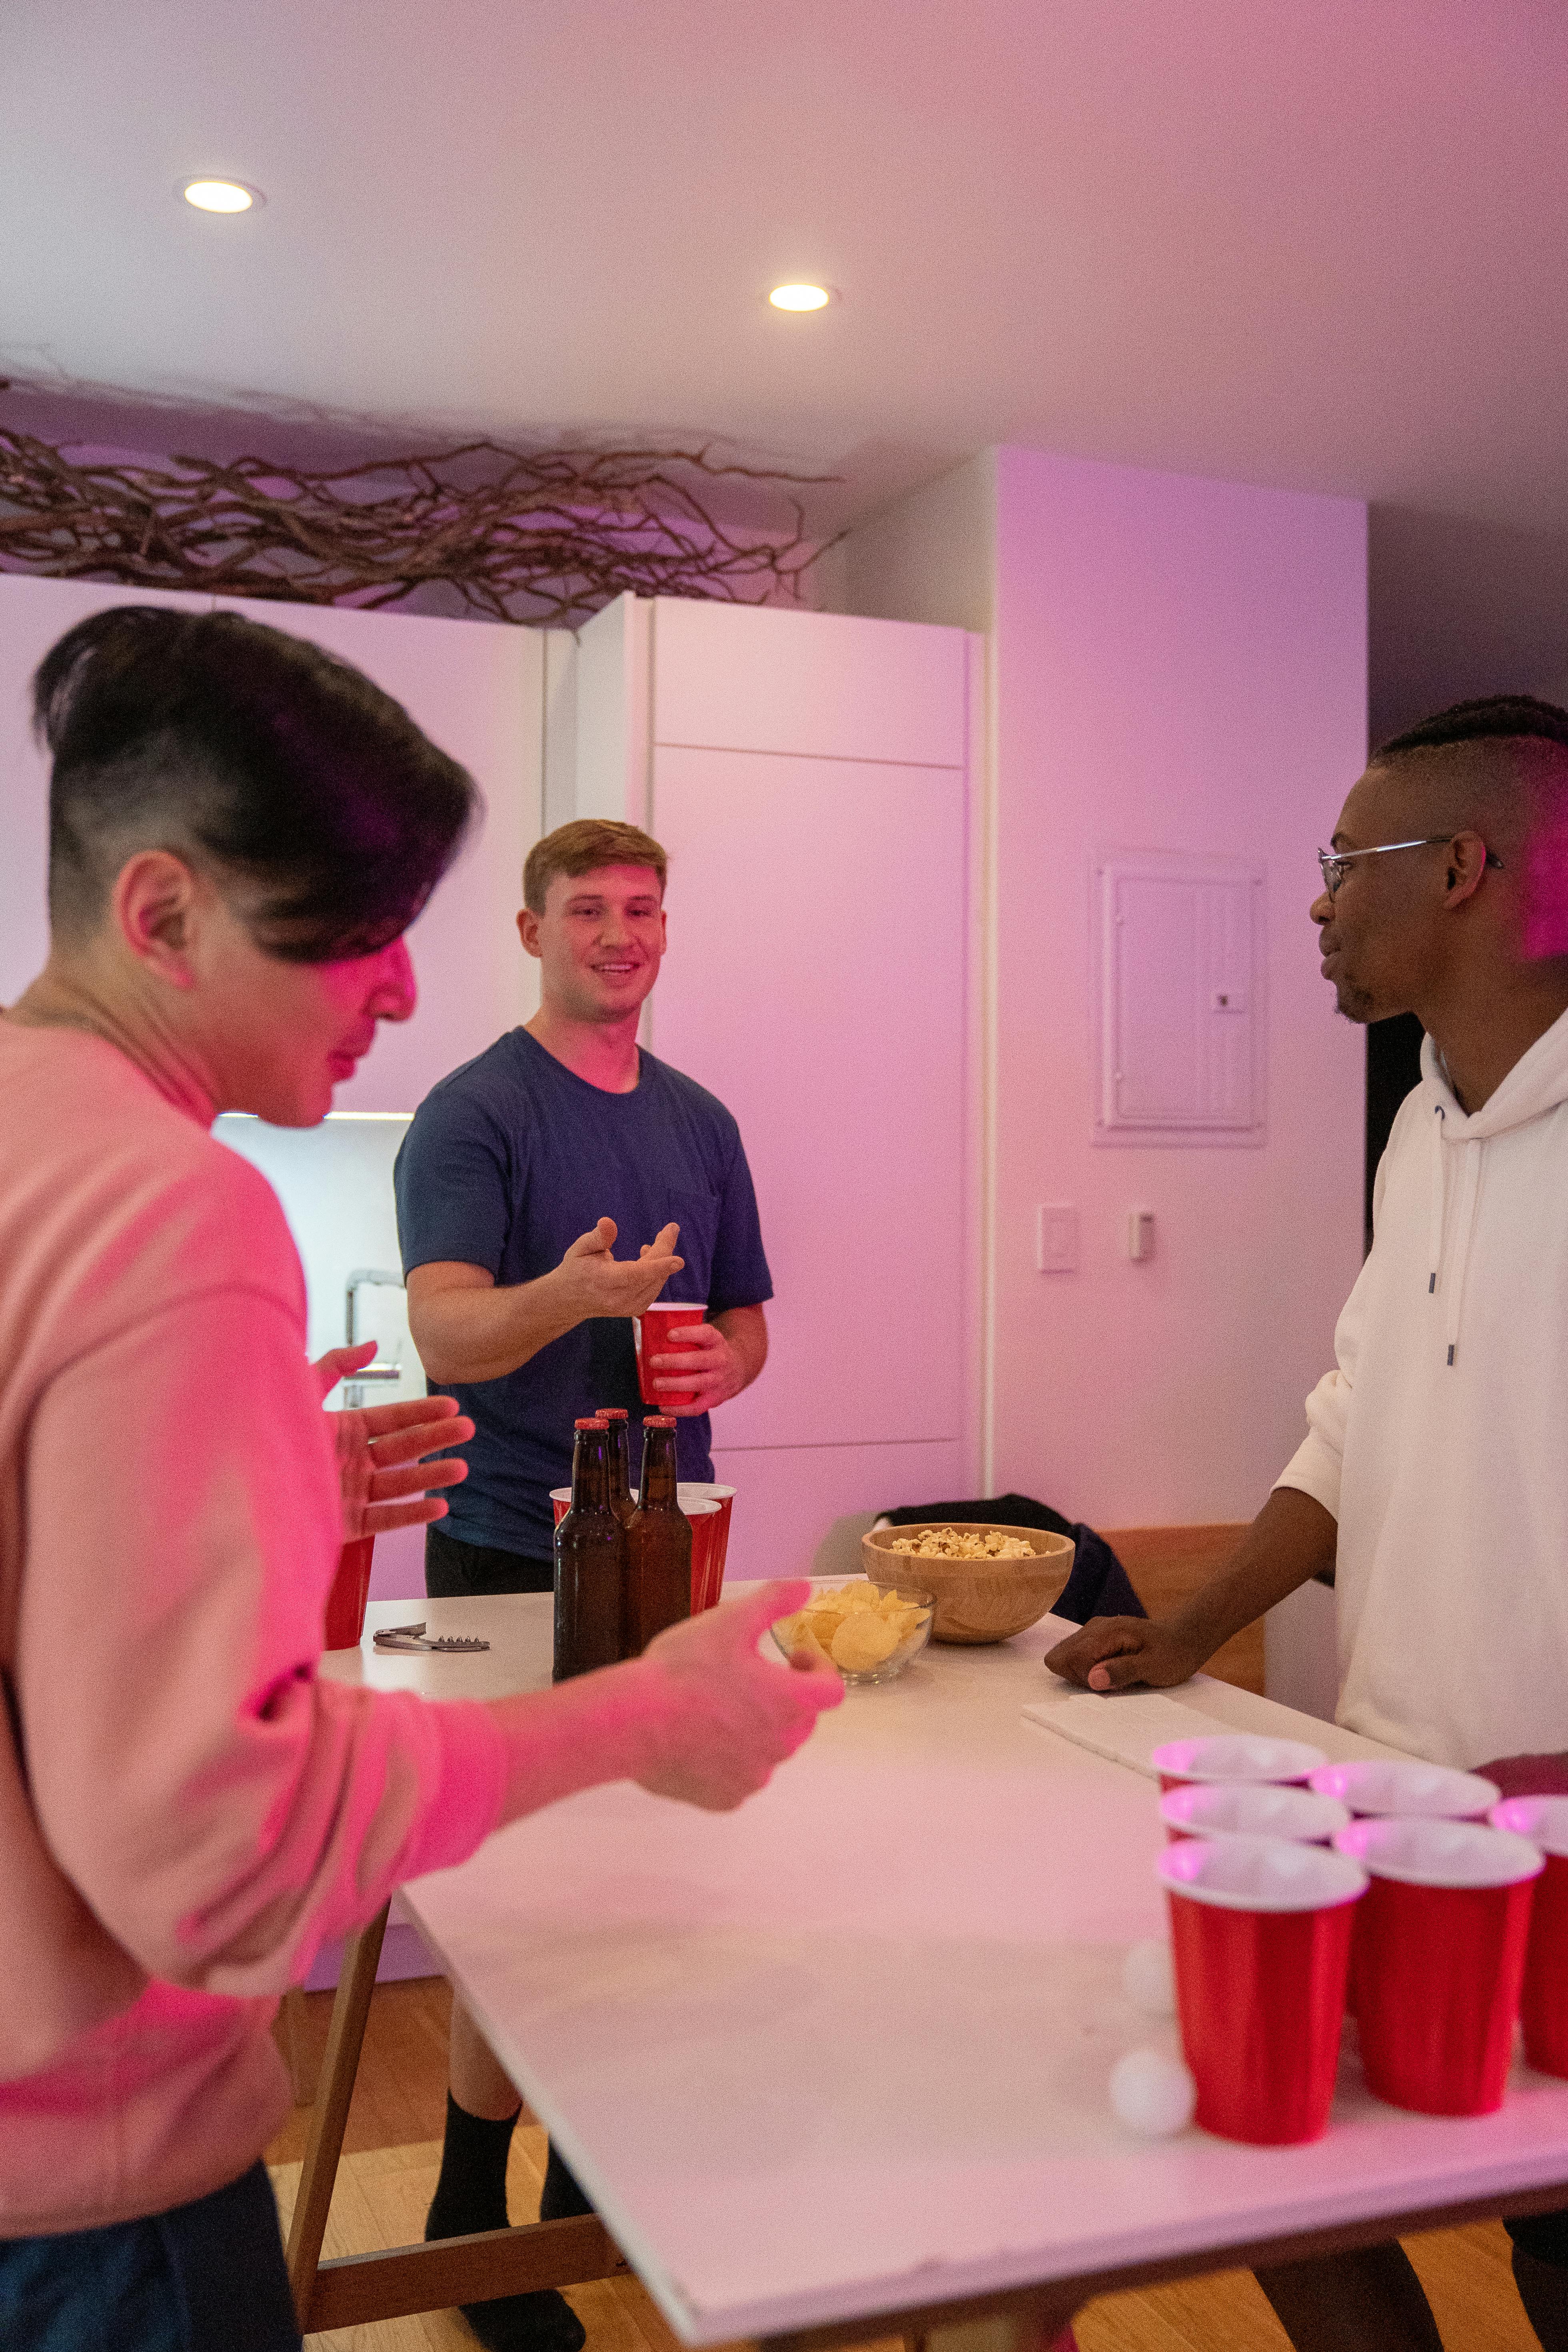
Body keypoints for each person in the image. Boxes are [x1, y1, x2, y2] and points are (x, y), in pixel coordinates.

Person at [0, 608, 840, 2352]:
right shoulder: (178, 1208)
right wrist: (638, 1725)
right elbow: (212, 1853)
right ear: (162, 914)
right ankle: (486, 2196)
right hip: (90, 2204)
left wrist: (282, 1471)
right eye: (356, 934)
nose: (394, 984)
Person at [1045, 693, 1568, 2352]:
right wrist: (1199, 1623)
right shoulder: (1419, 1127)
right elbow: (1355, 1418)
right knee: (1274, 2163)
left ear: (1468, 870)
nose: (1323, 903)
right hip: (1399, 1774)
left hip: (1552, 1824)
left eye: (1349, 863)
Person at [393, 814, 775, 2350]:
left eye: (644, 909)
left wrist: (709, 1351)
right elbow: (448, 1338)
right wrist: (575, 1296)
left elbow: (746, 1329)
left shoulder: (703, 1119)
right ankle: (466, 2214)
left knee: (646, 1888)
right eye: (589, 909)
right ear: (531, 930)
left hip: (667, 1542)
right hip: (505, 1547)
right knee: (526, 1900)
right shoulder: (472, 1112)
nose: (622, 933)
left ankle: (581, 2185)